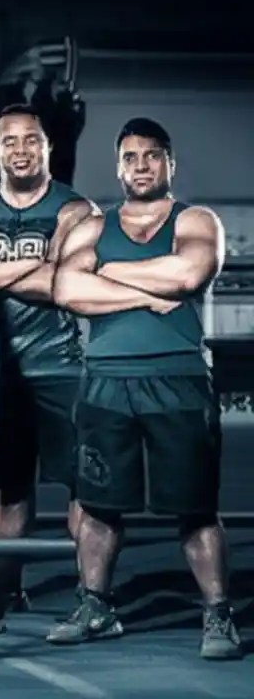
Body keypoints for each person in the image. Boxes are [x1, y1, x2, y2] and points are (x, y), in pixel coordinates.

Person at [50, 118, 242, 659]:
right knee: (97, 505)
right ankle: (95, 606)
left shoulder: (196, 219)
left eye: (152, 156)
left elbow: (188, 274)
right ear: (118, 166)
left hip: (178, 379)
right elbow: (65, 287)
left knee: (196, 508)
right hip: (107, 381)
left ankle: (218, 614)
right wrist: (145, 291)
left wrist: (107, 275)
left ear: (169, 163)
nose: (141, 166)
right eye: (131, 157)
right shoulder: (93, 225)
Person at [0, 105, 100, 634]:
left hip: (64, 369)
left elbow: (64, 283)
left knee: (83, 489)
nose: (20, 150)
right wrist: (39, 268)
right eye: (9, 141)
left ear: (47, 147)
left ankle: (91, 598)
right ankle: (4, 589)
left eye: (30, 140)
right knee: (10, 489)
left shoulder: (78, 210)